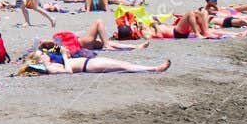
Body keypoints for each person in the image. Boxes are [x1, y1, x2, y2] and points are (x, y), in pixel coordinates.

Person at [16, 50, 171, 76]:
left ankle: (152, 68)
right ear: (39, 61)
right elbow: (68, 71)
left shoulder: (50, 65)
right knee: (124, 66)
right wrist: (64, 56)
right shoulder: (50, 68)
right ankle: (154, 69)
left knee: (123, 63)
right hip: (89, 66)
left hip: (90, 62)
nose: (46, 55)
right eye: (42, 55)